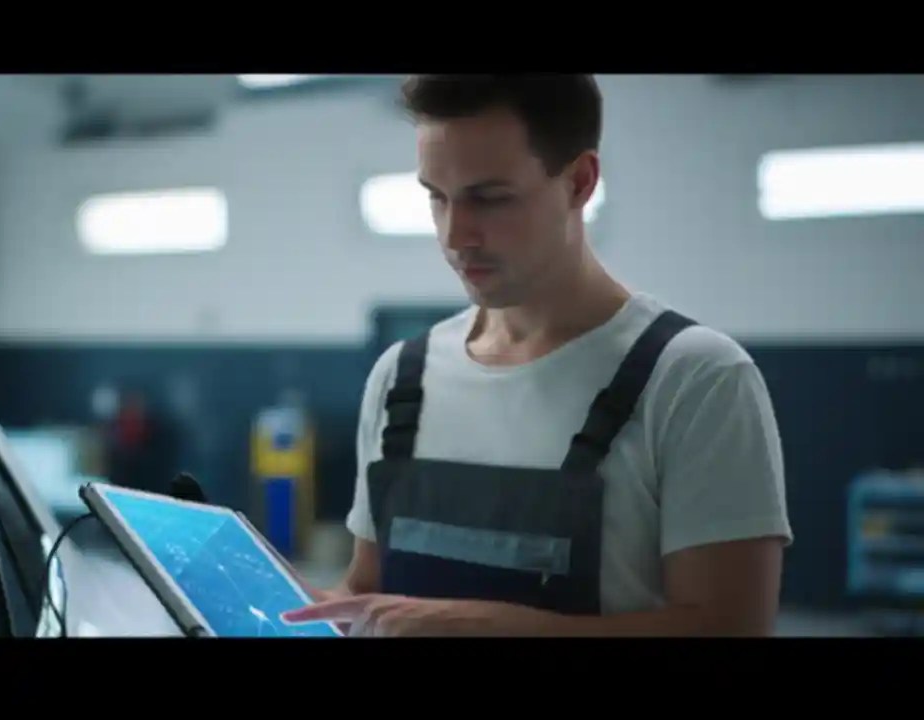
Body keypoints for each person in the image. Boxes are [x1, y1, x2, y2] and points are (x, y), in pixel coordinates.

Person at [281, 75, 792, 637]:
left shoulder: (696, 381)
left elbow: (731, 628)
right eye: (436, 196)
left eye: (490, 198)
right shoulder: (402, 378)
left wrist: (498, 628)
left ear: (579, 181)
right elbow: (364, 597)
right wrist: (270, 593)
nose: (456, 235)